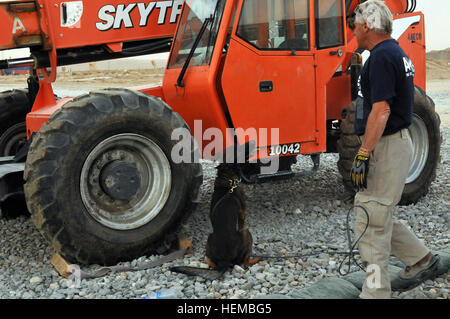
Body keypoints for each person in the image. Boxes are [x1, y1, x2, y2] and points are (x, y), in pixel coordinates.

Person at [349, 0, 440, 299]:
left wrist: (363, 153)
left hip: (386, 146)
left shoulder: (382, 57)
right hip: (394, 144)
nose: (353, 30)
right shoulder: (393, 52)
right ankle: (420, 259)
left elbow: (381, 110)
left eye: (354, 23)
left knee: (370, 217)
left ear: (366, 26)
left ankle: (375, 294)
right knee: (380, 211)